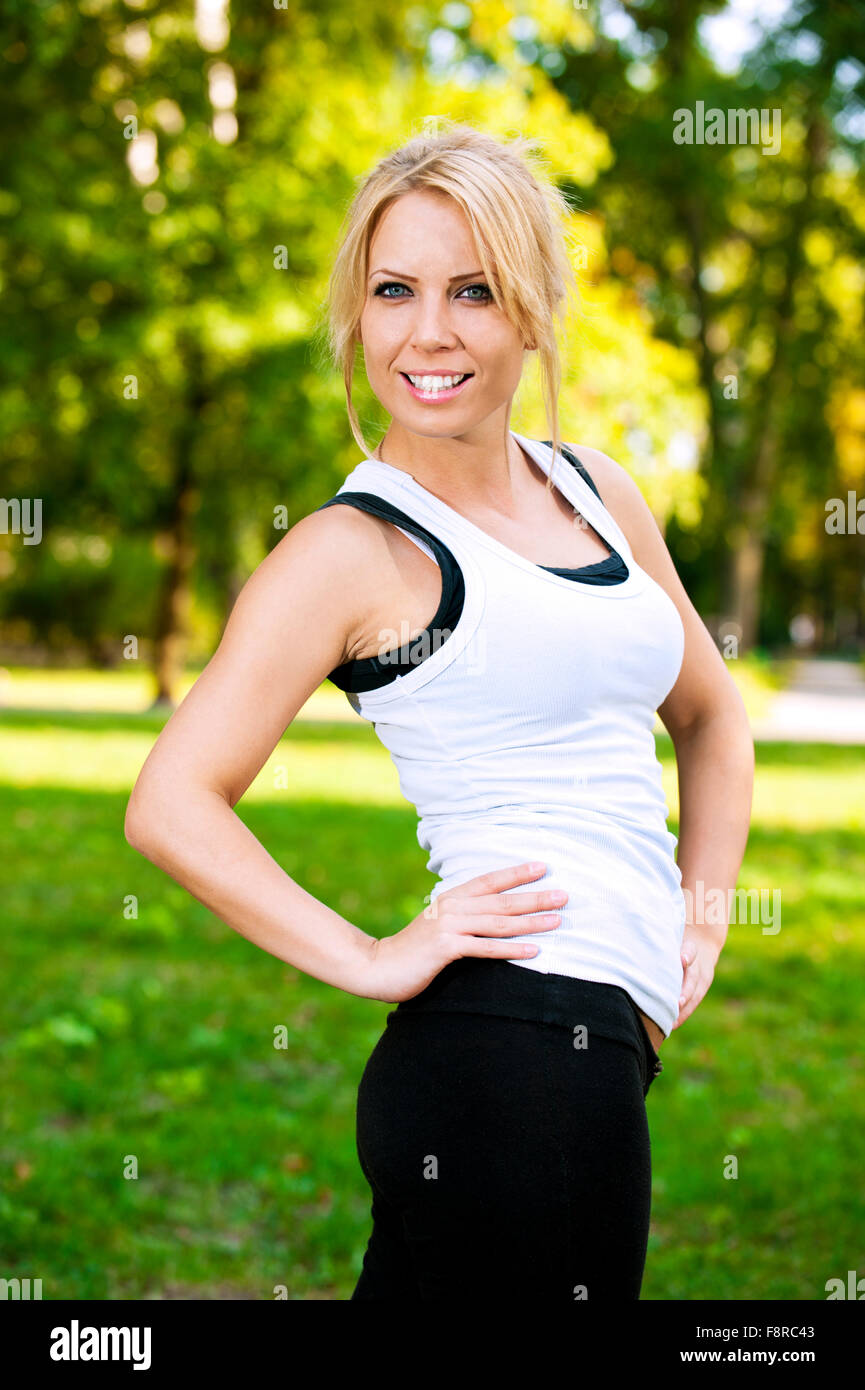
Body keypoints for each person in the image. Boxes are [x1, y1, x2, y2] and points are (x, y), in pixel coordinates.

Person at [125, 121, 754, 1301]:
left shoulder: (596, 488)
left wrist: (702, 917)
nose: (429, 331)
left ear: (532, 309)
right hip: (502, 1066)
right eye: (394, 290)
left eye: (472, 291)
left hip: (592, 1059)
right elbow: (169, 802)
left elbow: (711, 718)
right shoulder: (351, 550)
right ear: (355, 315)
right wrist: (370, 956)